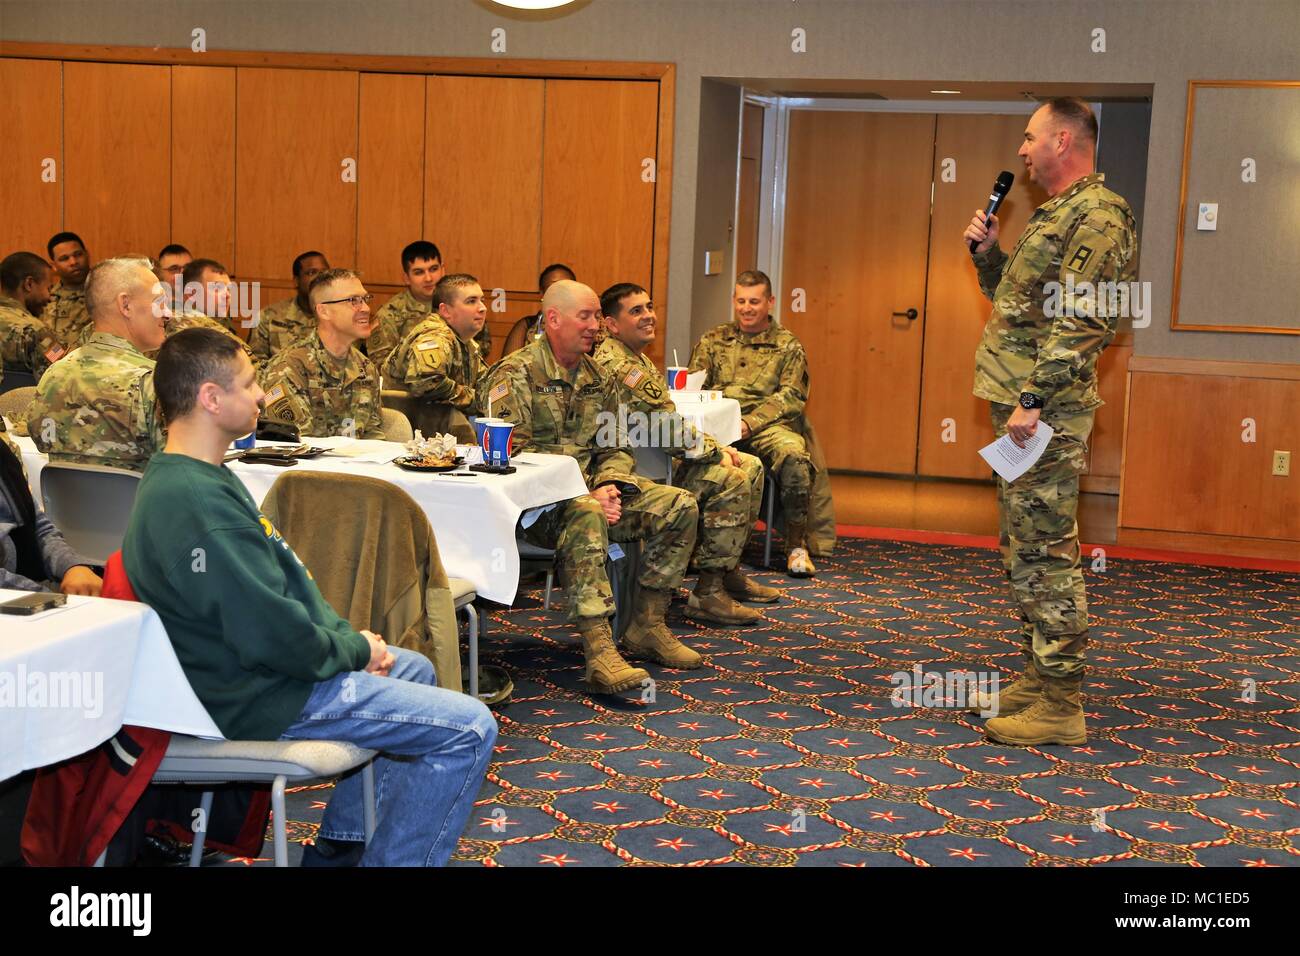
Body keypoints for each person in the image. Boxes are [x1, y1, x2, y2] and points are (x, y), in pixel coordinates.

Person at [123, 327, 496, 866]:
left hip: (260, 673)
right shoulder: (196, 502)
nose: (262, 396)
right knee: (469, 727)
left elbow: (288, 590)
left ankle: (340, 849)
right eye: (250, 384)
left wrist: (350, 641)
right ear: (211, 398)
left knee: (412, 667)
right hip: (253, 695)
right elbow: (271, 633)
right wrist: (354, 652)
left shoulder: (202, 476)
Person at [963, 97, 1137, 747]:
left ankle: (1062, 703)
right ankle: (1040, 676)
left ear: (1064, 141)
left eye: (1030, 137)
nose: (1022, 150)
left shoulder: (1098, 214)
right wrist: (988, 255)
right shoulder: (1055, 213)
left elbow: (1086, 323)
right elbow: (1021, 306)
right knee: (1021, 549)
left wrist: (1032, 401)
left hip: (1043, 415)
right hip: (1022, 405)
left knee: (1046, 553)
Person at [480, 280, 702, 692]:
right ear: (553, 319)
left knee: (680, 505)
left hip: (594, 492)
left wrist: (613, 482)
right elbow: (516, 459)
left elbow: (616, 444)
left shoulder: (600, 376)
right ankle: (599, 651)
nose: (595, 326)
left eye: (598, 316)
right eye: (586, 316)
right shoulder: (514, 375)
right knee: (585, 513)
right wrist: (585, 492)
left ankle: (647, 625)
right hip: (534, 509)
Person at [596, 282, 781, 622]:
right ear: (611, 324)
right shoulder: (622, 366)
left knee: (751, 465)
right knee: (733, 478)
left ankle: (724, 572)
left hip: (654, 461)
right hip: (636, 477)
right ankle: (708, 593)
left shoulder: (634, 357)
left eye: (649, 307)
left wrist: (714, 449)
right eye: (636, 311)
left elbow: (665, 421)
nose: (648, 315)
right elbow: (665, 428)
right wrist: (714, 452)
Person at [689, 270, 818, 577]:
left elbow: (791, 397)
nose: (747, 308)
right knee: (686, 450)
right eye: (742, 301)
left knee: (795, 458)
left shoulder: (787, 345)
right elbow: (694, 386)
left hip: (765, 427)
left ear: (770, 302)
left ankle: (796, 546)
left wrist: (750, 422)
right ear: (734, 300)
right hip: (717, 425)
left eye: (755, 301)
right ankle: (695, 542)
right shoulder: (713, 339)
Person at [26, 257, 168, 471]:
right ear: (126, 305)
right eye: (159, 302)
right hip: (140, 503)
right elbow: (181, 470)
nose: (168, 313)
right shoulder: (152, 381)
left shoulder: (54, 375)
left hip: (68, 505)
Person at [258, 268, 384, 439]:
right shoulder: (288, 369)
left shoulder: (366, 369)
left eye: (365, 299)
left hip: (355, 464)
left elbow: (374, 438)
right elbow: (297, 444)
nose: (366, 308)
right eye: (354, 300)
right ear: (324, 311)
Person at [0, 427, 101, 595]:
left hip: (29, 588)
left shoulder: (3, 456)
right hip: (15, 598)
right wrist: (49, 598)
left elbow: (38, 526)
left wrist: (73, 567)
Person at [384, 273, 484, 441]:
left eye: (482, 300)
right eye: (471, 301)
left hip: (437, 436)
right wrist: (472, 399)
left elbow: (485, 381)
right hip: (413, 438)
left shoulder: (465, 341)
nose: (482, 307)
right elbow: (426, 382)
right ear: (445, 310)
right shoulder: (436, 336)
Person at [366, 240, 443, 373]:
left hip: (457, 388)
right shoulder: (389, 314)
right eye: (419, 272)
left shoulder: (457, 302)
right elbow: (381, 367)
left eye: (433, 269)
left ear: (443, 270)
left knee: (491, 393)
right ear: (406, 278)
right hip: (409, 390)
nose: (429, 278)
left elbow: (482, 346)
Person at [248, 251, 329, 362]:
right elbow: (255, 364)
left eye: (324, 272)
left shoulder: (343, 316)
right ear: (296, 281)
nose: (320, 277)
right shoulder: (267, 317)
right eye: (312, 272)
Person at [0, 252, 65, 382]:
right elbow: (61, 378)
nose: (50, 297)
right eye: (49, 288)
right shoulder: (36, 330)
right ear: (29, 284)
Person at [165, 258, 247, 345]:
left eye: (229, 289)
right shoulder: (180, 326)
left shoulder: (222, 321)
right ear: (191, 294)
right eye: (217, 288)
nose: (227, 295)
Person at [42, 232, 92, 347]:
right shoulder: (45, 300)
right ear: (53, 266)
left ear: (87, 255)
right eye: (64, 258)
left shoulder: (106, 291)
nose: (73, 262)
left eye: (78, 254)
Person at [154, 243, 192, 310]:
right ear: (160, 274)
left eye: (187, 268)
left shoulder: (204, 306)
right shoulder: (154, 310)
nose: (182, 273)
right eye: (174, 269)